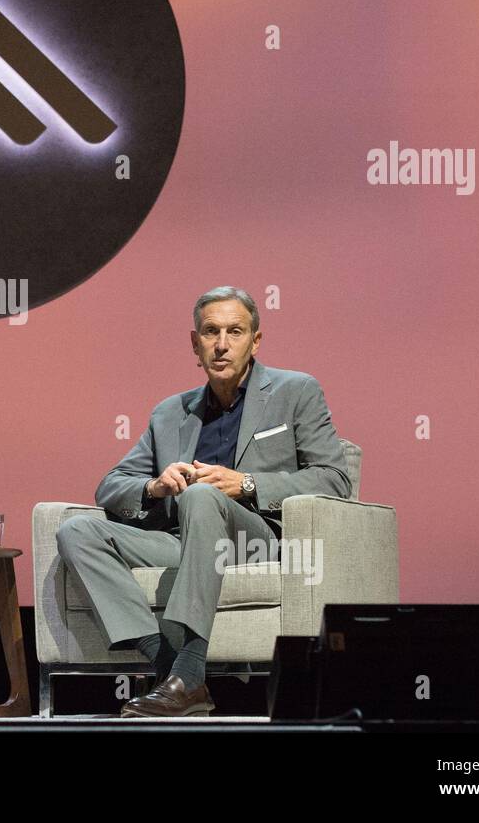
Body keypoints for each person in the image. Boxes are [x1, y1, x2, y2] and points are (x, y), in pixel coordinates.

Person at [56, 286, 350, 717]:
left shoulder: (296, 391)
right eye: (211, 332)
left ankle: (188, 670)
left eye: (235, 331)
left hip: (254, 541)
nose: (222, 343)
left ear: (256, 340)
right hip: (186, 539)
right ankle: (173, 669)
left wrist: (246, 483)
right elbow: (111, 485)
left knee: (201, 495)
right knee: (76, 530)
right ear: (195, 343)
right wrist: (155, 486)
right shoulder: (170, 412)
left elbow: (334, 479)